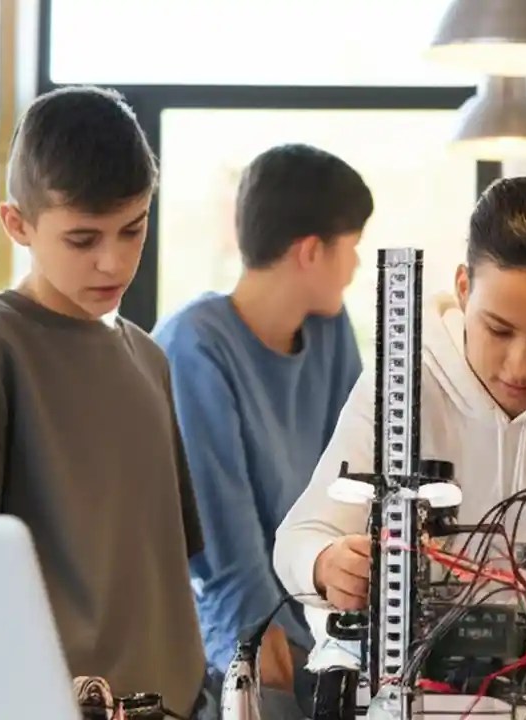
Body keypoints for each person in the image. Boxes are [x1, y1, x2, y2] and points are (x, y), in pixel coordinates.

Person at [274, 172, 526, 664]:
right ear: (462, 288)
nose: (520, 366)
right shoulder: (400, 384)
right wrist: (326, 565)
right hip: (397, 681)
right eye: (498, 329)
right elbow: (300, 538)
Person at [0, 86, 209, 717]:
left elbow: (167, 571)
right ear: (16, 223)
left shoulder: (149, 358)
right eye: (82, 239)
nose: (113, 262)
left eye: (132, 230)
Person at [154, 143, 371, 714]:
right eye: (352, 246)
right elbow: (224, 548)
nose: (355, 266)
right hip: (241, 648)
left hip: (327, 622)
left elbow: (355, 476)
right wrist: (260, 653)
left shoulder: (327, 330)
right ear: (310, 252)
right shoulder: (194, 346)